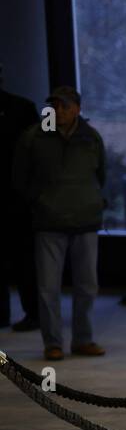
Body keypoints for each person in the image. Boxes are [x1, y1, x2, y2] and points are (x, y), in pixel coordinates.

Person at [11, 86, 106, 362]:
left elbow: (101, 174)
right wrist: (40, 200)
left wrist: (93, 200)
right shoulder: (35, 137)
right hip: (49, 221)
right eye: (55, 105)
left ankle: (83, 339)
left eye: (65, 106)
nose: (59, 111)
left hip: (85, 219)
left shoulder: (90, 137)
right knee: (48, 288)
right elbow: (20, 178)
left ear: (77, 108)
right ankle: (53, 343)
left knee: (87, 286)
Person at [0, 67, 39, 331]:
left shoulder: (22, 107)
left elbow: (37, 151)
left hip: (18, 195)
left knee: (25, 259)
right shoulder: (22, 107)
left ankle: (33, 313)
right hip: (16, 194)